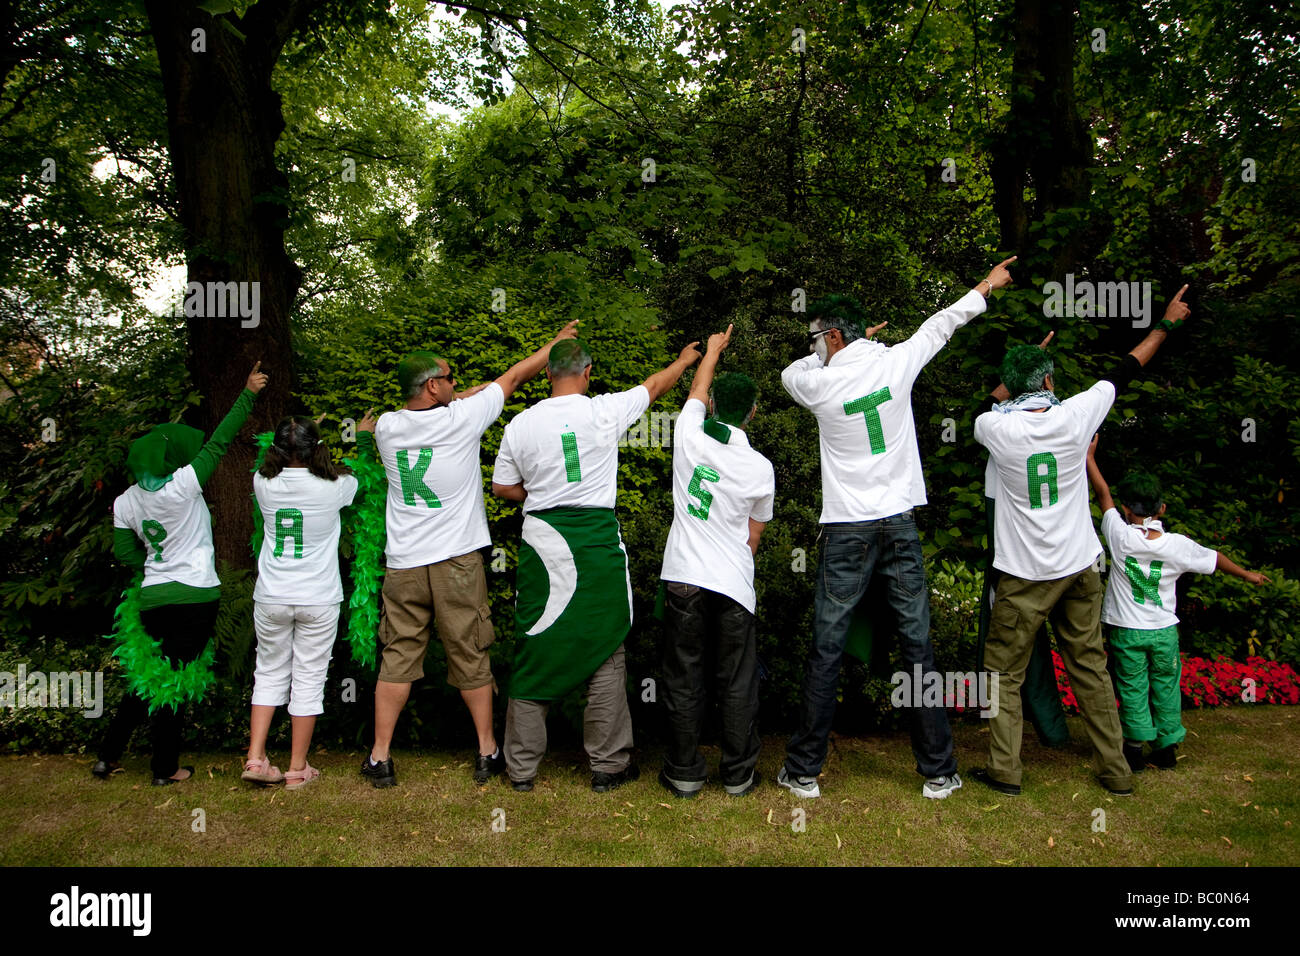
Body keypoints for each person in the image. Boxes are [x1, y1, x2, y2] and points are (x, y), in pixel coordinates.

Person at [778, 259, 1016, 801]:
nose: (812, 346)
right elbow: (942, 323)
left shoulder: (815, 383)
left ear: (833, 336)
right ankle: (938, 771)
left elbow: (795, 370)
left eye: (818, 337)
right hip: (899, 523)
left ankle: (803, 771)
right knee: (918, 647)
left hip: (845, 529)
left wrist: (841, 349)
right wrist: (985, 285)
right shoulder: (898, 363)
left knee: (827, 646)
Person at [972, 284, 1192, 797]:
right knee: (1090, 668)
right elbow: (1127, 367)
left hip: (1025, 572)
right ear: (1049, 380)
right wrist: (1165, 324)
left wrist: (1011, 385)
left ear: (1008, 389)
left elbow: (995, 404)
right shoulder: (1076, 415)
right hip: (1080, 565)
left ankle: (1006, 771)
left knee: (1004, 673)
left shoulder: (993, 428)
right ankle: (1116, 770)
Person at [362, 322, 579, 789]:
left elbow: (466, 395)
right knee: (470, 653)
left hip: (403, 564)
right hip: (456, 561)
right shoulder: (462, 418)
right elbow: (514, 378)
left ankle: (380, 757)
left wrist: (459, 394)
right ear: (433, 385)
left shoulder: (386, 427)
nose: (457, 384)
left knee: (397, 657)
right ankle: (487, 751)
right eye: (450, 377)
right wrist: (553, 346)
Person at [491, 337, 701, 792]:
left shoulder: (520, 425)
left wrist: (545, 496)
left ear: (547, 374)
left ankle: (521, 770)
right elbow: (655, 385)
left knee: (534, 647)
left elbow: (503, 488)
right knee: (606, 649)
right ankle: (608, 766)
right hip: (596, 543)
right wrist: (685, 361)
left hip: (542, 540)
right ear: (588, 372)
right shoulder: (604, 410)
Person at [93, 362, 267, 786]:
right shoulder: (184, 485)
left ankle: (107, 755)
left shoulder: (125, 502)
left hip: (153, 598)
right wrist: (248, 392)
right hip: (194, 596)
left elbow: (124, 553)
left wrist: (155, 562)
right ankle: (164, 768)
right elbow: (222, 439)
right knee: (174, 680)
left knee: (150, 677)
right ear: (170, 458)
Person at [1086, 437, 1268, 771]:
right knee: (1166, 686)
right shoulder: (1177, 545)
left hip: (1128, 631)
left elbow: (1102, 495)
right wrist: (1247, 575)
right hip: (1164, 631)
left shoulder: (1120, 536)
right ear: (1162, 509)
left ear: (1127, 509)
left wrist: (1089, 457)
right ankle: (1167, 748)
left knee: (1132, 687)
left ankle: (1134, 749)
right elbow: (1214, 559)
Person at [658, 325, 774, 799]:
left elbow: (698, 388)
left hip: (685, 576)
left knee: (683, 677)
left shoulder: (688, 434)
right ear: (752, 413)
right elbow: (753, 536)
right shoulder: (760, 467)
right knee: (737, 680)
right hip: (731, 582)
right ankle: (739, 773)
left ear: (710, 408)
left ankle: (684, 772)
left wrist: (712, 351)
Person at [241, 413, 371, 789]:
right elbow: (359, 475)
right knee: (309, 678)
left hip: (272, 596)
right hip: (317, 597)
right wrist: (361, 437)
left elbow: (287, 454)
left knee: (267, 673)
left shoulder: (262, 483)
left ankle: (256, 758)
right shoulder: (335, 487)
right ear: (317, 447)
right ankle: (298, 767)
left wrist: (298, 434)